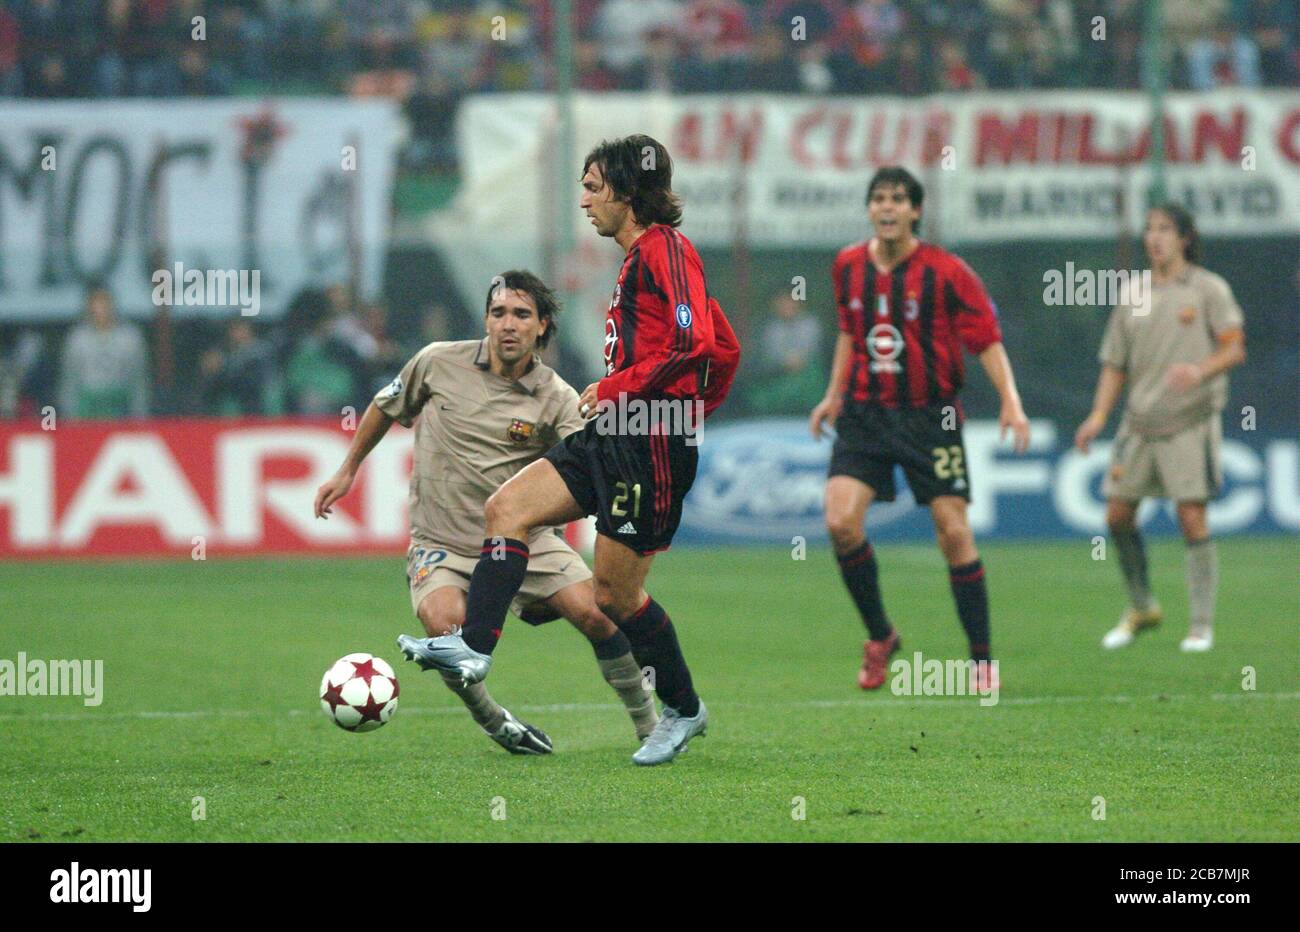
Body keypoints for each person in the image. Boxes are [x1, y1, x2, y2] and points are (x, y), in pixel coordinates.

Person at [396, 134, 740, 766]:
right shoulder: (641, 257)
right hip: (617, 431)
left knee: (615, 598)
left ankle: (685, 709)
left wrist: (644, 398)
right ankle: (474, 646)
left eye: (591, 186)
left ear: (625, 192)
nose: (584, 200)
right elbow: (725, 344)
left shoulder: (666, 249)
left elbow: (696, 344)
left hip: (650, 444)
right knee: (507, 509)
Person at [316, 270, 658, 754]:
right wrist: (347, 470)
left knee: (599, 614)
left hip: (526, 540)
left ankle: (649, 724)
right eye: (498, 313)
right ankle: (496, 722)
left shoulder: (556, 396)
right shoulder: (436, 363)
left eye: (522, 314)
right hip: (442, 543)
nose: (508, 325)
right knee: (444, 627)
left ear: (542, 326)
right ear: (485, 319)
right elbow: (384, 406)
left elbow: (587, 466)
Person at [810, 166, 1030, 692]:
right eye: (879, 198)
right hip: (864, 414)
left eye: (899, 199)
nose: (888, 207)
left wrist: (1011, 402)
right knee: (840, 523)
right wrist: (833, 394)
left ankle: (980, 659)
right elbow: (848, 331)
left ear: (915, 211)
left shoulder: (948, 272)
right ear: (869, 209)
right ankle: (881, 635)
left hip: (931, 418)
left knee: (953, 532)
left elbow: (986, 340)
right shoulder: (846, 266)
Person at [1075, 204, 1246, 653]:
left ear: (1185, 237)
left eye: (1165, 229)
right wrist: (1096, 417)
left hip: (1190, 421)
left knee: (1191, 516)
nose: (1155, 238)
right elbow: (1114, 363)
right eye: (1149, 229)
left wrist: (1200, 371)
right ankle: (1142, 605)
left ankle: (1201, 626)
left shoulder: (1209, 289)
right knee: (1117, 515)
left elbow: (1234, 349)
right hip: (1139, 423)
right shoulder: (1133, 293)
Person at [58, 282, 150, 419]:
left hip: (120, 405)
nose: (101, 309)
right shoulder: (77, 339)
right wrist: (69, 416)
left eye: (105, 302)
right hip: (86, 405)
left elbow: (138, 381)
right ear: (88, 307)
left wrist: (140, 416)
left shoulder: (130, 338)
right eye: (95, 303)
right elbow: (69, 381)